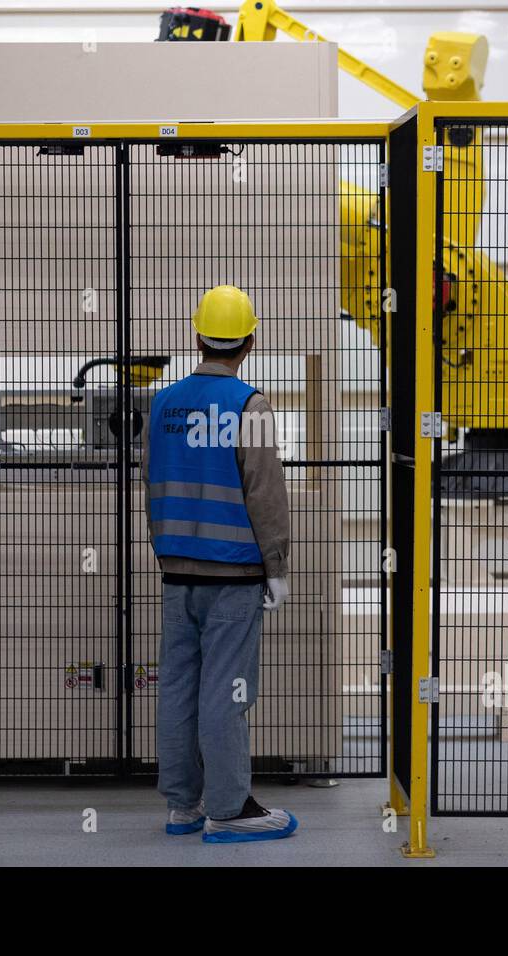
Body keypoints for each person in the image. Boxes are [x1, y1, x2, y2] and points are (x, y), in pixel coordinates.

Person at [143, 285, 296, 844]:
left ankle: (183, 805)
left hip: (177, 569)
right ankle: (229, 810)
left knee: (179, 686)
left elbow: (149, 476)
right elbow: (265, 492)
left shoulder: (161, 403)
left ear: (197, 334)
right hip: (233, 574)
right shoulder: (250, 405)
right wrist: (275, 567)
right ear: (250, 342)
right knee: (226, 691)